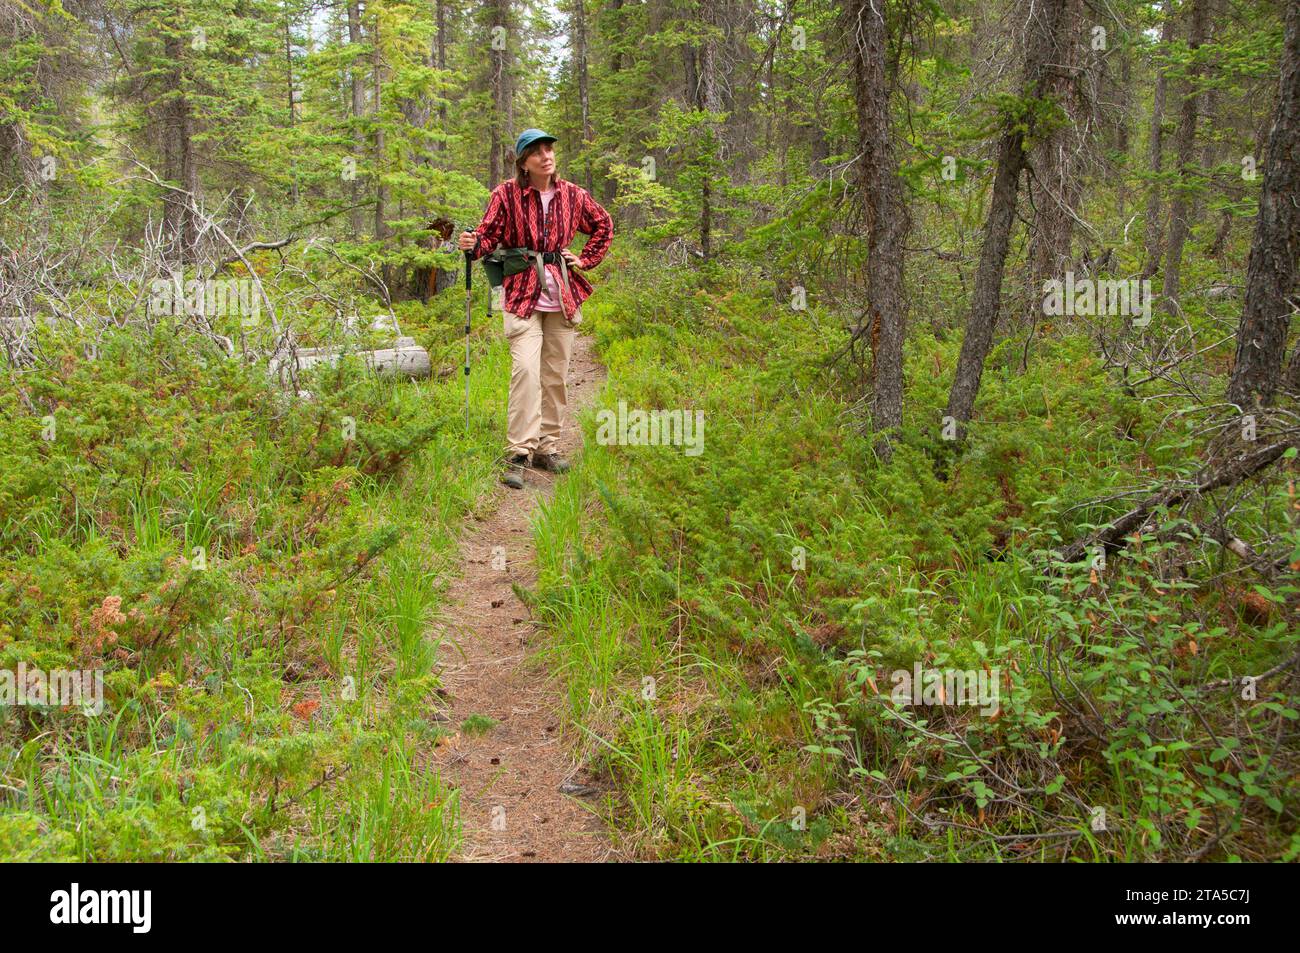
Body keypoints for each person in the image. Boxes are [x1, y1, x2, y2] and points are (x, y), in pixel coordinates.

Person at [458, 128, 614, 489]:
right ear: (524, 162)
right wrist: (472, 243)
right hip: (521, 295)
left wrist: (586, 259)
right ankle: (519, 452)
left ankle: (548, 447)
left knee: (555, 375)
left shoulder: (573, 195)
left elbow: (603, 225)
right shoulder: (506, 194)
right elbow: (488, 238)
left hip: (561, 294)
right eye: (537, 151)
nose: (546, 155)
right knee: (526, 371)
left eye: (549, 149)